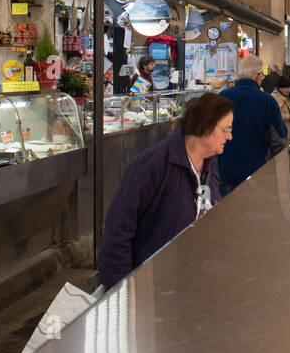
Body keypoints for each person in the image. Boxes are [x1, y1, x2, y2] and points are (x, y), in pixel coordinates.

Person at [96, 92, 233, 291]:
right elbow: (117, 233)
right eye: (226, 129)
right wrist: (123, 292)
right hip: (150, 287)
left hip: (189, 284)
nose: (230, 136)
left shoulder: (209, 162)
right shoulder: (153, 164)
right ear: (206, 126)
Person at [217, 54, 286, 194]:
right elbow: (279, 141)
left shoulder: (221, 97)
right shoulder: (268, 102)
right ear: (258, 76)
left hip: (224, 173)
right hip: (257, 174)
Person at [272, 73, 290, 142]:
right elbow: (273, 116)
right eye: (287, 88)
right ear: (280, 88)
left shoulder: (285, 97)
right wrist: (289, 117)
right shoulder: (274, 98)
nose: (289, 90)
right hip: (281, 136)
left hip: (289, 133)